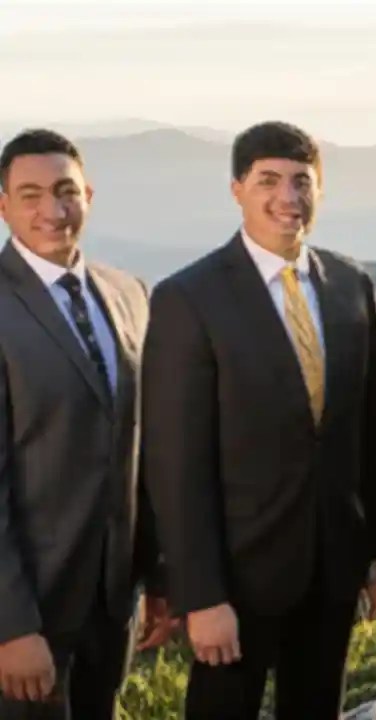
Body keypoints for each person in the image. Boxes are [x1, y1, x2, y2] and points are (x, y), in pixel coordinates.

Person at [140, 121, 376, 719]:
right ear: (237, 188)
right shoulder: (190, 297)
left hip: (334, 565)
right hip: (236, 577)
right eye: (269, 181)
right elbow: (175, 463)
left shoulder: (349, 286)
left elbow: (367, 429)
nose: (288, 198)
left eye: (302, 182)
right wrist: (200, 594)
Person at [0, 129, 170, 718]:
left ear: (89, 196)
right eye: (30, 195)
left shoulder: (130, 294)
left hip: (112, 604)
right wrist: (11, 627)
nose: (52, 210)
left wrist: (159, 575)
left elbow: (142, 447)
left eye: (66, 190)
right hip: (28, 616)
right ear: (3, 206)